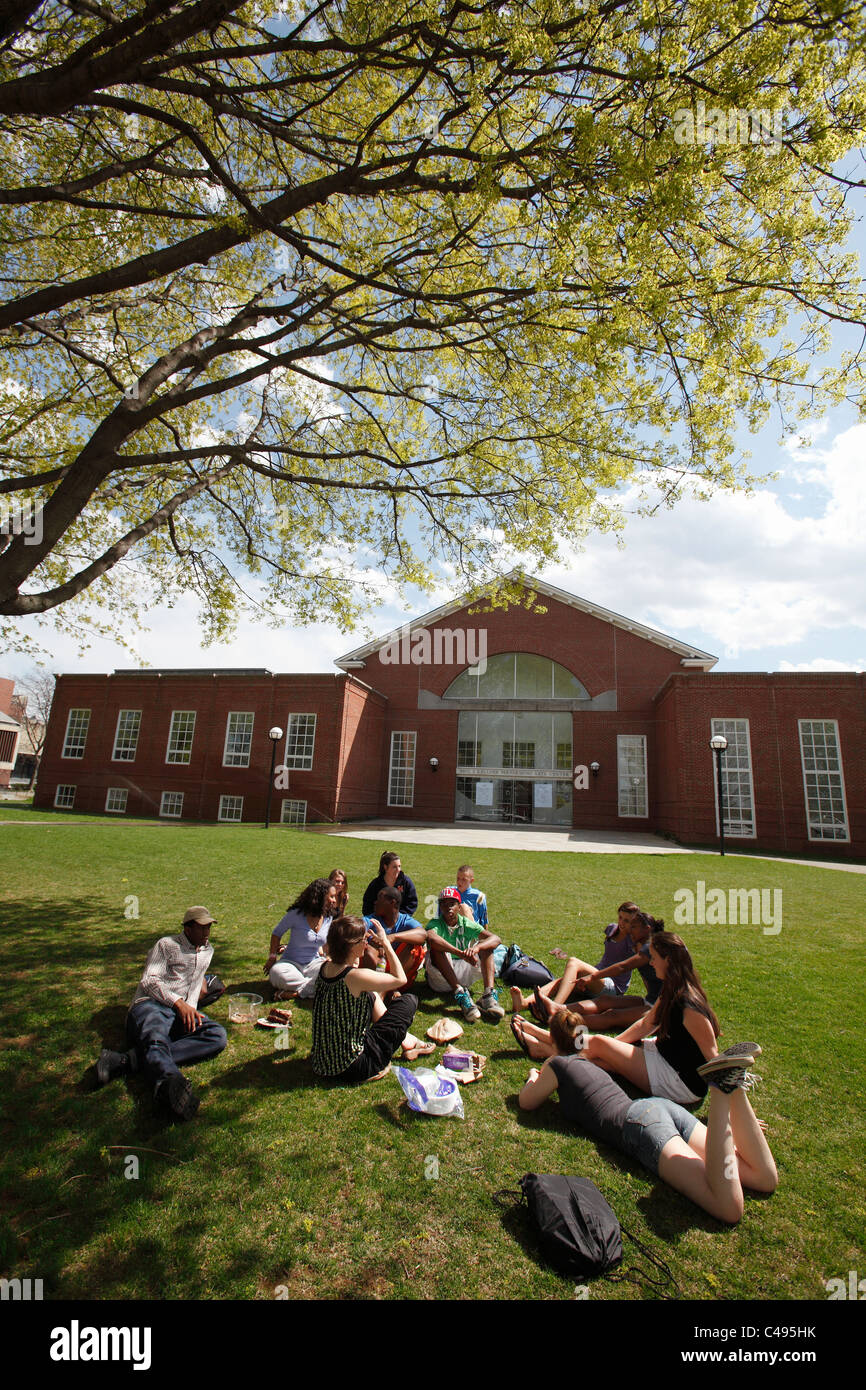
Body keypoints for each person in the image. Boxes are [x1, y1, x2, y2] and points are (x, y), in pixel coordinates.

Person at [518, 1011, 776, 1225]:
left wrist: (533, 1076)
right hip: (661, 1109)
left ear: (554, 1040)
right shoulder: (588, 1061)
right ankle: (735, 1086)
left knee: (728, 1208)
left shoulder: (557, 1063)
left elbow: (526, 1102)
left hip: (642, 1126)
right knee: (763, 1178)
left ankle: (721, 1090)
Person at [95, 906, 228, 1120]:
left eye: (209, 927)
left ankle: (125, 1061)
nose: (207, 933)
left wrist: (190, 1008)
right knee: (156, 1037)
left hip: (183, 1013)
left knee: (217, 1036)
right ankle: (169, 1085)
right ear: (188, 928)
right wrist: (178, 1004)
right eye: (202, 928)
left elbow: (195, 985)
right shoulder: (166, 945)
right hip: (151, 1006)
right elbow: (149, 981)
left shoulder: (207, 950)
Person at [579, 931, 720, 1104]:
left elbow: (714, 1060)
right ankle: (546, 1047)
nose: (651, 963)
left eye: (653, 958)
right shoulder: (672, 986)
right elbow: (646, 1024)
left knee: (598, 1043)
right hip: (663, 1056)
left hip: (678, 1082)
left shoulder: (689, 1005)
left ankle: (555, 1051)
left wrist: (733, 1112)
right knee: (602, 1056)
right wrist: (615, 1045)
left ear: (667, 959)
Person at [311, 915, 430, 1082]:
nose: (366, 944)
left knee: (370, 994)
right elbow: (400, 979)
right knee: (408, 1001)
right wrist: (386, 943)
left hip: (323, 1063)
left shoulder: (325, 967)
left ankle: (407, 1040)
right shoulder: (355, 977)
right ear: (351, 946)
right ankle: (402, 1044)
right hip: (354, 1066)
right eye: (363, 940)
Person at [510, 901, 641, 1018]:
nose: (622, 923)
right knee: (562, 982)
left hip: (613, 987)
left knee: (574, 962)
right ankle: (524, 1003)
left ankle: (555, 1007)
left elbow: (639, 963)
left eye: (627, 921)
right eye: (621, 918)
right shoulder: (612, 929)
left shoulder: (632, 941)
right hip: (597, 978)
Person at [425, 887, 504, 1021]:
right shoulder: (435, 923)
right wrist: (460, 953)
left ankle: (488, 996)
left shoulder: (465, 923)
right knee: (437, 947)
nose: (448, 907)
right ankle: (460, 994)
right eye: (444, 904)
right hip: (441, 978)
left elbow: (496, 939)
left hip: (464, 972)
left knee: (486, 946)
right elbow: (431, 938)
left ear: (459, 906)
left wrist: (477, 948)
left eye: (452, 904)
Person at [265, 878, 334, 999]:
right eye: (331, 897)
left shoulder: (328, 917)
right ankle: (313, 989)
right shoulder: (296, 914)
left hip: (314, 963)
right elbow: (276, 934)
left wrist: (328, 958)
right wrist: (272, 957)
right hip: (290, 963)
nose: (334, 900)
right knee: (276, 973)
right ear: (320, 897)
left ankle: (295, 993)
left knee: (332, 973)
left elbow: (326, 942)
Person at [362, 885, 427, 989]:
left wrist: (392, 937)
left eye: (379, 898)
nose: (375, 902)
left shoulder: (404, 920)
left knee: (413, 947)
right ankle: (378, 989)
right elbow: (358, 928)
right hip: (377, 965)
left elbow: (423, 935)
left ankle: (393, 987)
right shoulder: (372, 919)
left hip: (398, 966)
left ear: (392, 903)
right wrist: (370, 938)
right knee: (368, 949)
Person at [361, 851, 418, 917]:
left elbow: (412, 903)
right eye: (394, 867)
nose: (398, 870)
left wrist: (399, 917)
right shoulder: (376, 884)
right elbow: (367, 906)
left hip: (400, 920)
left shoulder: (406, 882)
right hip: (379, 919)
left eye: (399, 866)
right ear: (385, 867)